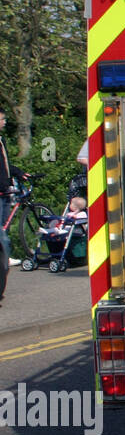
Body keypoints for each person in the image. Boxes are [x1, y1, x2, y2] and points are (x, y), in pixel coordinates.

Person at [1, 109, 26, 297]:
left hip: (4, 193)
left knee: (4, 229)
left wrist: (17, 173)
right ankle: (5, 260)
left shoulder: (1, 140)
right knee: (2, 234)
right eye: (2, 119)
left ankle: (4, 260)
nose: (4, 122)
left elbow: (5, 164)